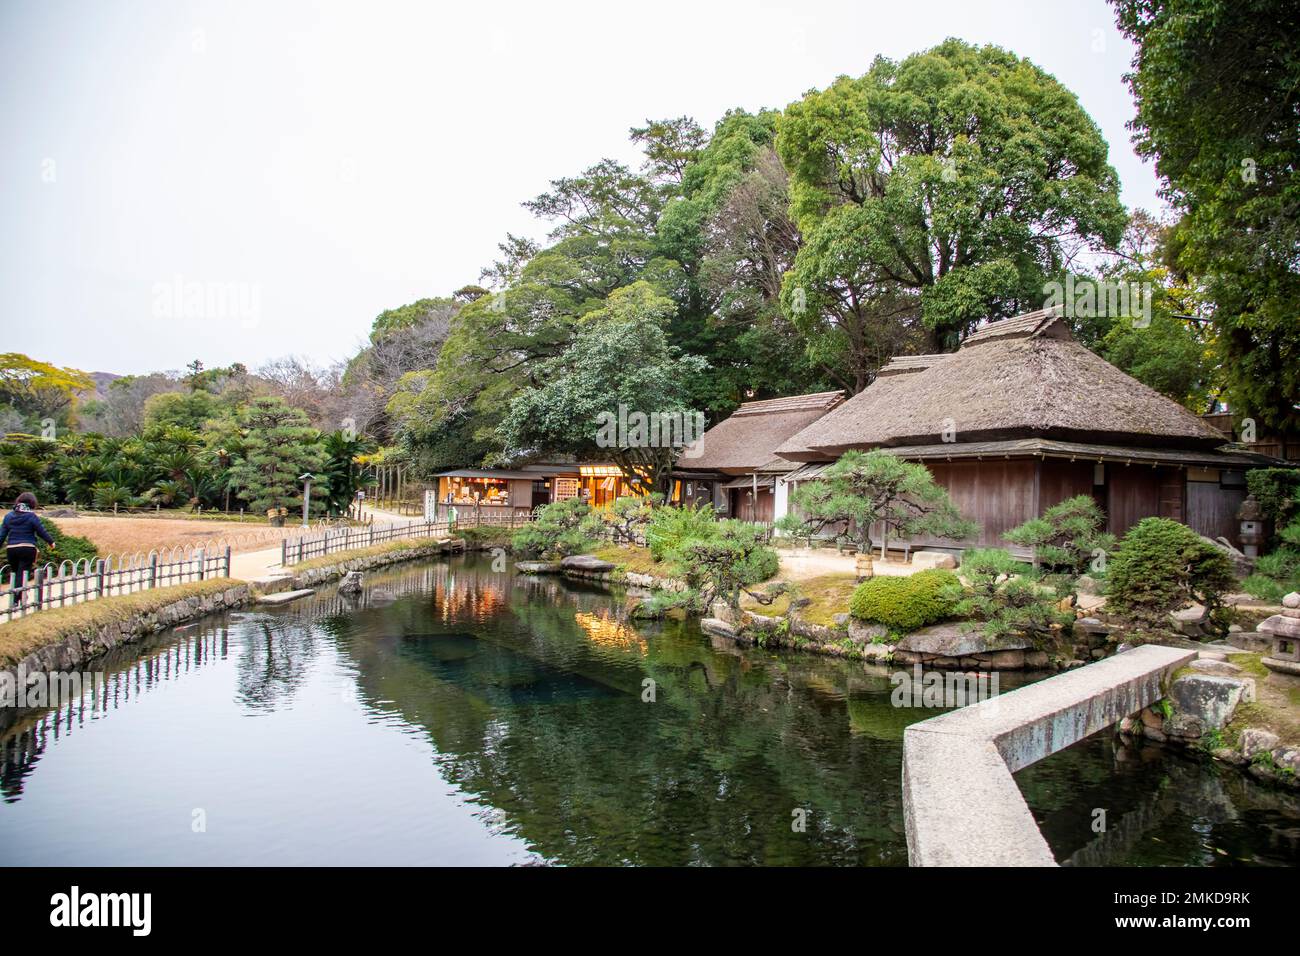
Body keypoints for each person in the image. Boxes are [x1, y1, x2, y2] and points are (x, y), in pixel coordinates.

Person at [1, 492, 56, 605]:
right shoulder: (31, 516)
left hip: (11, 549)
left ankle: (18, 597)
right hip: (27, 548)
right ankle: (17, 599)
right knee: (22, 574)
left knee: (16, 573)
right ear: (32, 503)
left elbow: (2, 535)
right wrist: (51, 542)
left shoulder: (8, 516)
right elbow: (41, 531)